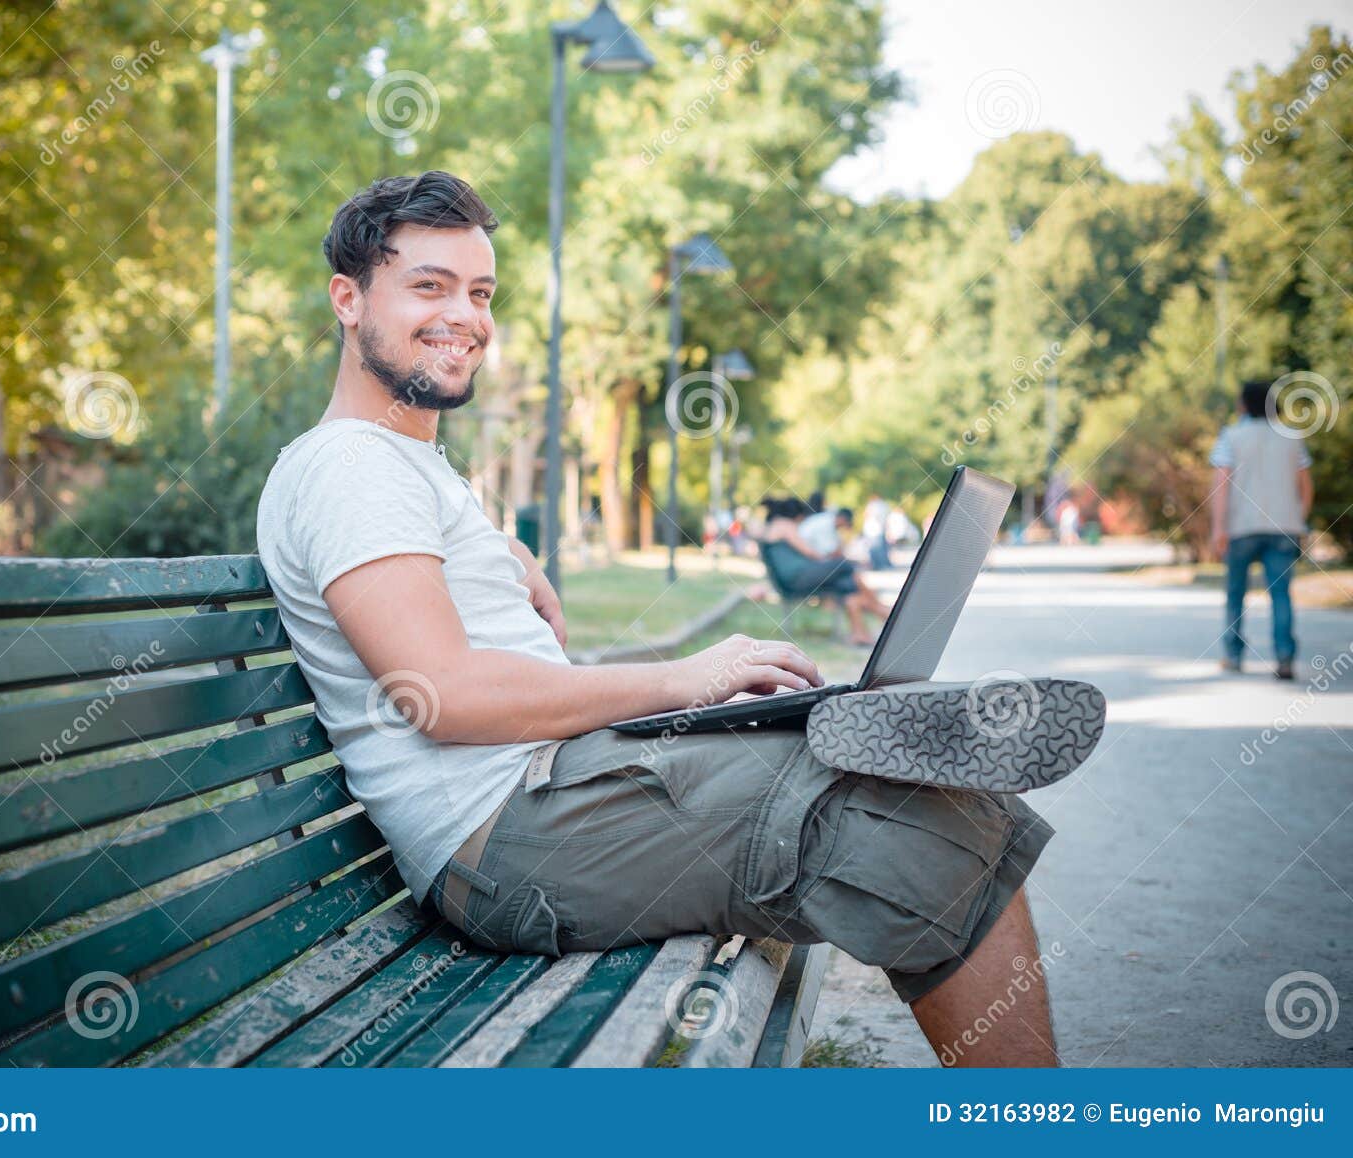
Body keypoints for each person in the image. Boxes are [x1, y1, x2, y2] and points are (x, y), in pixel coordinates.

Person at [255, 172, 1060, 1065]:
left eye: (480, 292)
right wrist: (688, 678)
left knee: (945, 799)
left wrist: (497, 554)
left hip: (558, 796)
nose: (467, 316)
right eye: (429, 286)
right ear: (348, 298)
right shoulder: (351, 469)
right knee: (920, 827)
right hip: (511, 843)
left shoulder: (401, 468)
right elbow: (441, 696)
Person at [1209, 378, 1314, 680]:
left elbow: (1221, 486)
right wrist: (1298, 518)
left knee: (1235, 592)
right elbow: (1305, 486)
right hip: (1284, 526)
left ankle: (1233, 653)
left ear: (1244, 403)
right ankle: (1284, 657)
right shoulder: (1293, 437)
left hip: (1241, 527)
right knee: (1281, 594)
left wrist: (1218, 528)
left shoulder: (1231, 436)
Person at [758, 498, 888, 646]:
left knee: (847, 582)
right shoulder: (784, 525)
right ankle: (881, 610)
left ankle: (859, 633)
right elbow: (810, 552)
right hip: (796, 578)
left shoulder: (775, 525)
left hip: (796, 577)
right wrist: (828, 562)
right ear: (798, 516)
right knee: (844, 565)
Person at [863, 493, 892, 569]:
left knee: (875, 549)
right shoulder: (883, 505)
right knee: (879, 549)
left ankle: (877, 565)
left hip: (873, 530)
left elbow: (866, 515)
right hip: (877, 530)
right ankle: (880, 565)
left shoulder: (874, 505)